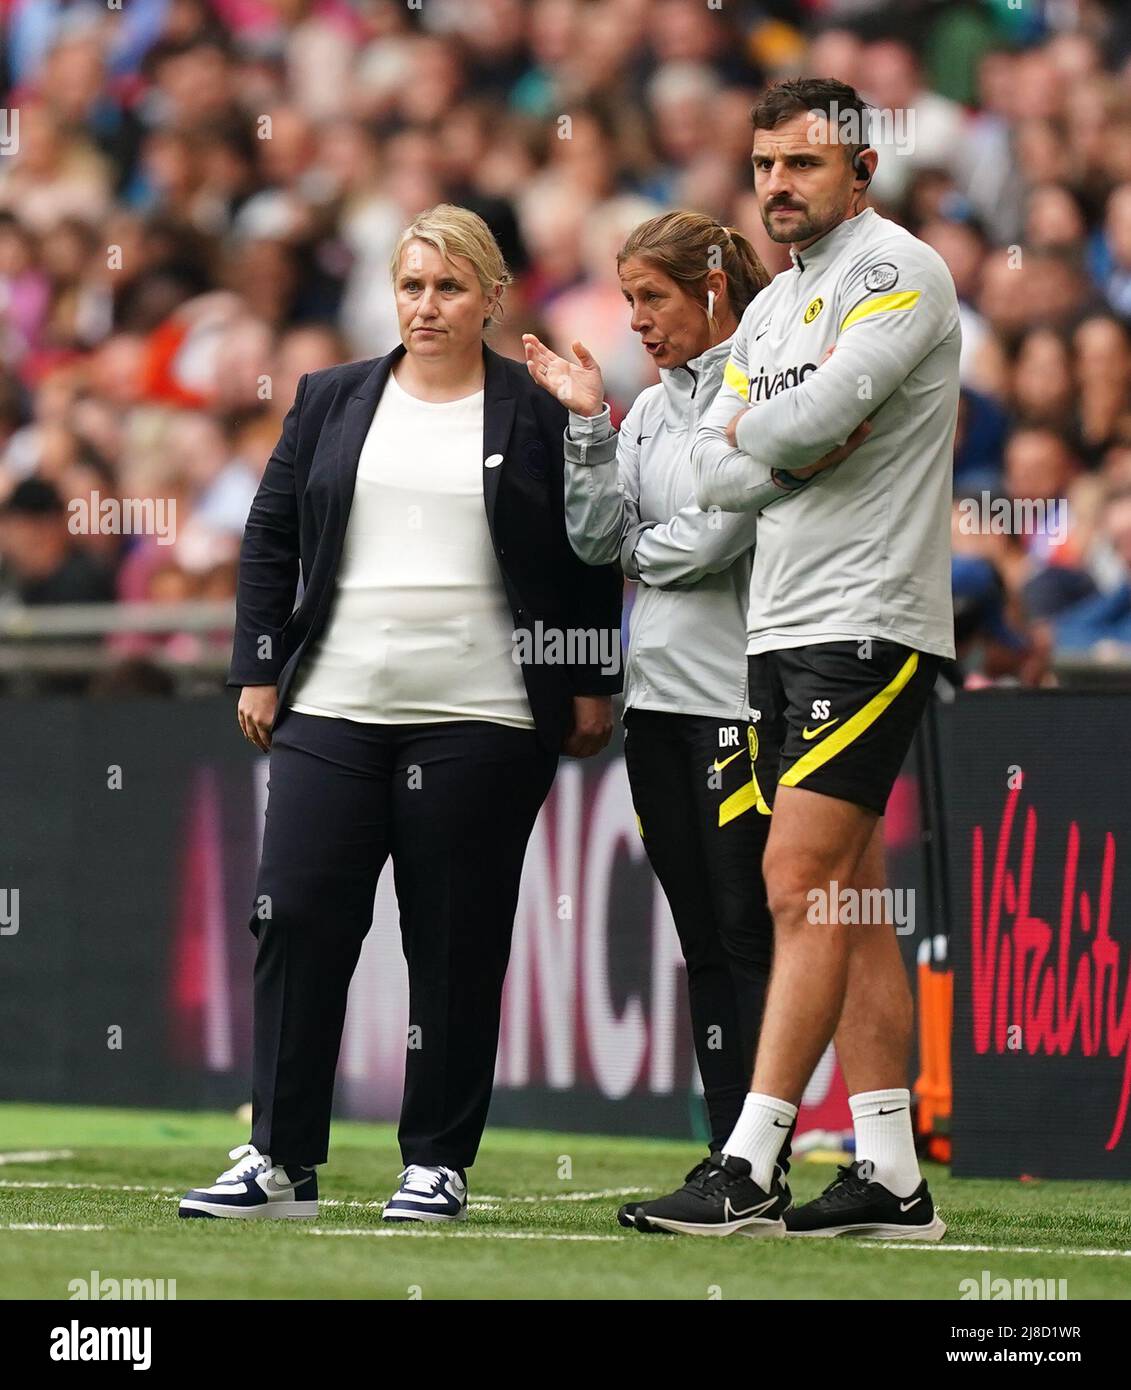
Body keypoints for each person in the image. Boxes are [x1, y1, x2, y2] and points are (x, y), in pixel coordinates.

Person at [178, 204, 622, 1223]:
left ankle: (436, 1161)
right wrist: (257, 668)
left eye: (450, 287)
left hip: (483, 717)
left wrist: (592, 680)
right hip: (332, 706)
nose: (428, 306)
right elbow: (269, 536)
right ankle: (279, 1160)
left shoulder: (537, 410)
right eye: (414, 286)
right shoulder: (332, 397)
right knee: (292, 913)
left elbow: (587, 558)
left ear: (492, 298)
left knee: (456, 938)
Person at [626, 77, 960, 1239]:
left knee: (795, 883)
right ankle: (889, 1173)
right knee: (853, 897)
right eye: (766, 164)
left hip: (867, 616)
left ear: (861, 172)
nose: (779, 185)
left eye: (805, 165)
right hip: (776, 621)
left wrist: (766, 442)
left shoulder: (901, 271)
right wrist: (775, 446)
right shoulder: (769, 315)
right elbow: (744, 456)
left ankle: (753, 1158)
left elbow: (800, 429)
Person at [522, 210, 868, 1222]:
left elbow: (718, 537)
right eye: (629, 301)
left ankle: (761, 1158)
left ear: (713, 290)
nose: (636, 321)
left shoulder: (769, 387)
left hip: (740, 703)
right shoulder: (645, 411)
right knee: (703, 938)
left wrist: (642, 545)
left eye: (653, 299)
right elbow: (596, 538)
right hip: (659, 703)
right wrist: (588, 421)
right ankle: (733, 1154)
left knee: (745, 927)